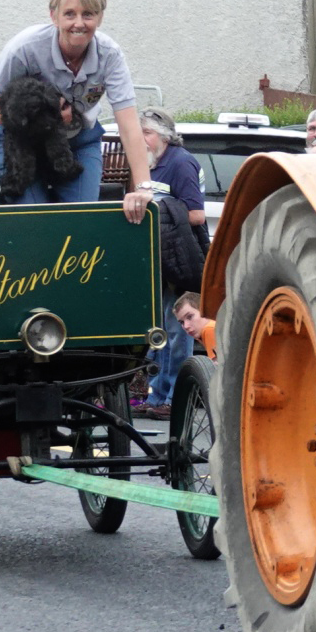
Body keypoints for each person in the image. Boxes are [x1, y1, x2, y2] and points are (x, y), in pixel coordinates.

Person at [0, 0, 153, 224]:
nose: (79, 23)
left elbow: (129, 124)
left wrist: (143, 186)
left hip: (77, 141)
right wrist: (47, 126)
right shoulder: (25, 47)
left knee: (80, 220)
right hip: (21, 140)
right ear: (54, 16)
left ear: (100, 17)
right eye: (70, 14)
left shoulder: (110, 54)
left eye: (88, 14)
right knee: (34, 221)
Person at [133, 109, 206, 420]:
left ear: (164, 136)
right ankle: (158, 395)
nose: (141, 140)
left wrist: (158, 213)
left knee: (178, 332)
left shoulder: (180, 163)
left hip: (181, 259)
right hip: (160, 260)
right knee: (161, 331)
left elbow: (196, 215)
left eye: (146, 133)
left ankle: (175, 398)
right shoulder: (149, 165)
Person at [173, 291, 215, 359]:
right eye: (182, 322)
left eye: (190, 317)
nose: (186, 326)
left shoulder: (209, 329)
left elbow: (217, 364)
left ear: (204, 311)